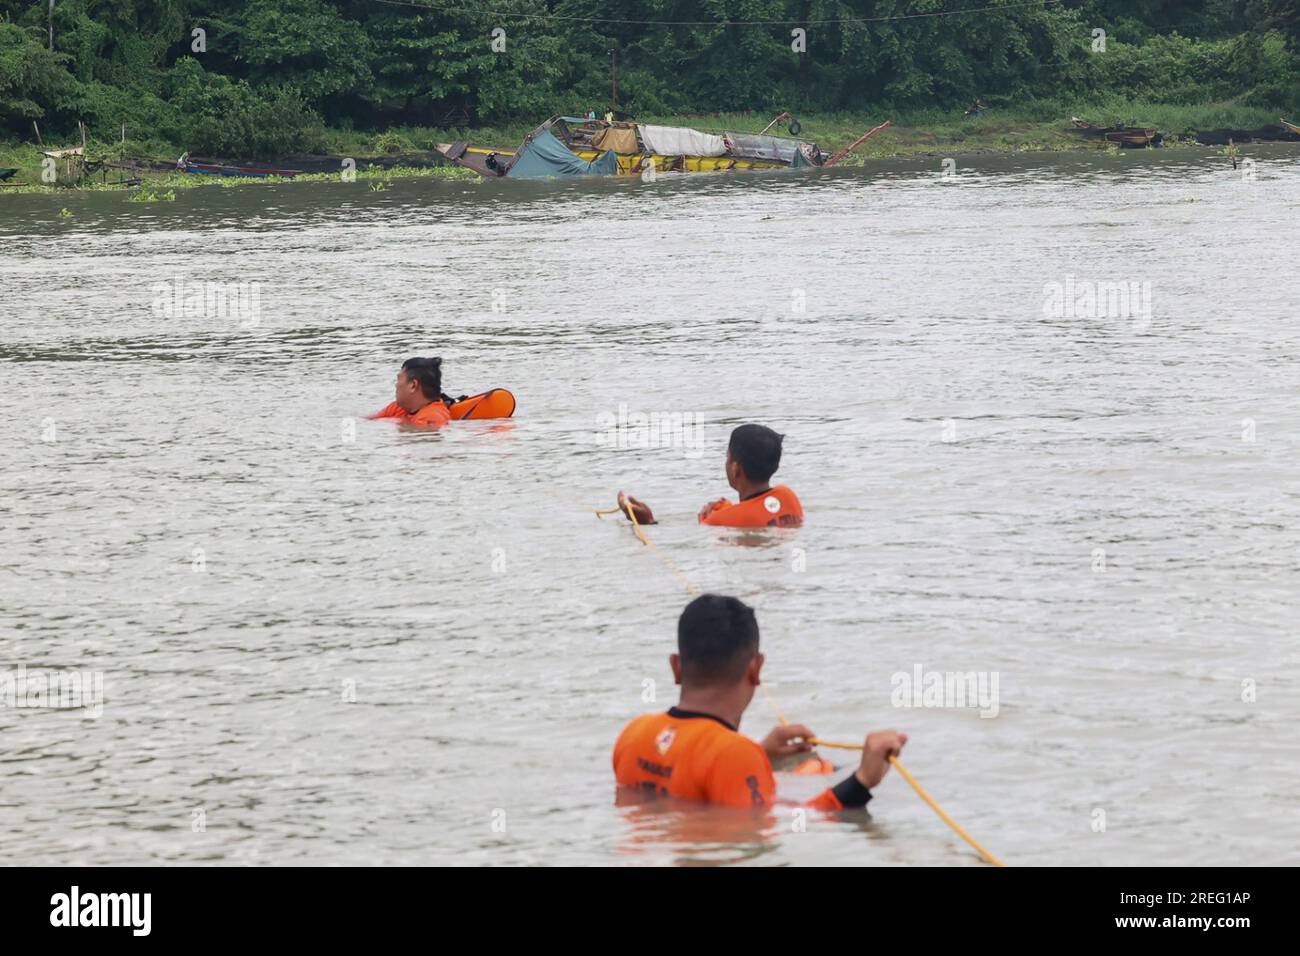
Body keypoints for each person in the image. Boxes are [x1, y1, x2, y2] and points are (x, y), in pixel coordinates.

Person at [613, 594, 907, 810]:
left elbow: (682, 789)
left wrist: (761, 755)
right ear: (756, 668)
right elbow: (774, 832)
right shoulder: (736, 755)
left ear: (676, 667)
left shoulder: (633, 733)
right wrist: (863, 781)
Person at [617, 423, 803, 528]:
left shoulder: (720, 521)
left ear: (735, 469)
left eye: (727, 457)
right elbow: (754, 512)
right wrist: (727, 510)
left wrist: (648, 522)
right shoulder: (789, 497)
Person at [370, 357, 452, 428]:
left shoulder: (432, 418)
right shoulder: (398, 407)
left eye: (399, 379)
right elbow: (367, 421)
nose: (396, 385)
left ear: (413, 385)